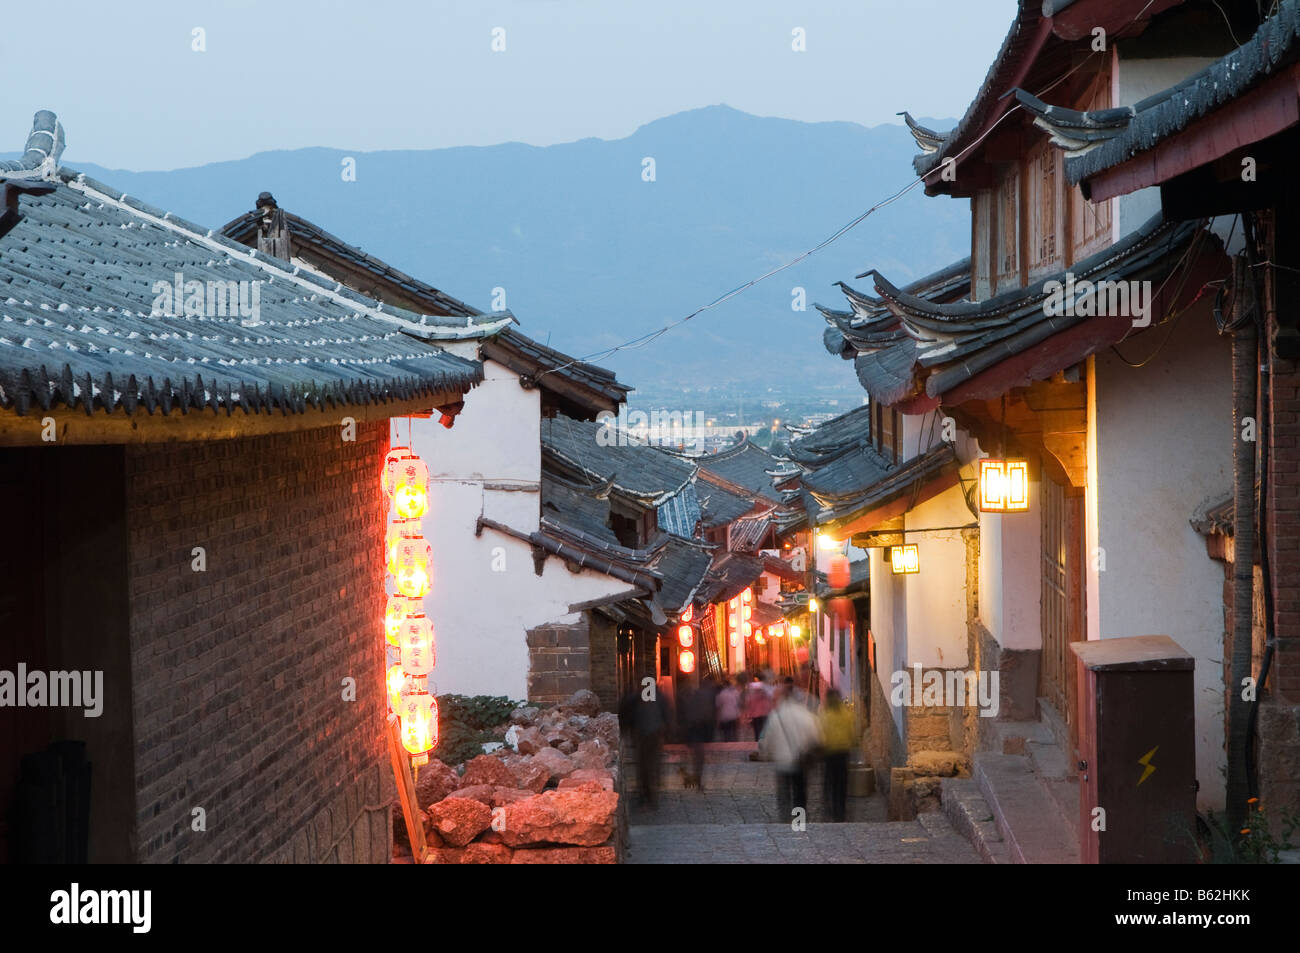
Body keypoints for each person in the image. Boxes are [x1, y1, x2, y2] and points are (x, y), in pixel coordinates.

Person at [759, 677, 821, 821]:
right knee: (799, 793)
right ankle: (799, 823)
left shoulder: (776, 716)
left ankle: (785, 821)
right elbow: (816, 735)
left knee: (784, 794)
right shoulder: (804, 714)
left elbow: (768, 739)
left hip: (782, 762)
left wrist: (765, 752)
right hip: (799, 761)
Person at [619, 679, 671, 809]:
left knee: (644, 767)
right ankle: (651, 795)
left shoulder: (637, 698)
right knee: (653, 766)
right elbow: (667, 715)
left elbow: (627, 714)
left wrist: (626, 730)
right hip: (653, 736)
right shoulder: (658, 698)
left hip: (642, 736)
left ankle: (646, 795)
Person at [819, 689, 855, 822]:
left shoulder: (825, 715)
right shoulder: (846, 714)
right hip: (843, 752)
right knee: (842, 782)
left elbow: (820, 732)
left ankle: (831, 808)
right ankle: (841, 811)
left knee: (830, 781)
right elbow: (852, 733)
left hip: (829, 753)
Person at [682, 676, 719, 790]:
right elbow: (708, 714)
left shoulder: (696, 696)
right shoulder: (706, 696)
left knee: (697, 757)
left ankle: (696, 778)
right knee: (698, 757)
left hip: (694, 730)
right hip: (697, 730)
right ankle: (696, 779)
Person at [743, 673, 773, 742]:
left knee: (756, 731)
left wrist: (748, 715)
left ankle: (757, 743)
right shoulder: (765, 693)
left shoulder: (752, 694)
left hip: (755, 715)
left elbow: (749, 704)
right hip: (764, 714)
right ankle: (762, 742)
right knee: (763, 730)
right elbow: (769, 702)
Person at [716, 676, 742, 742]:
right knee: (734, 733)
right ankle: (734, 745)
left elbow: (718, 706)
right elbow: (738, 704)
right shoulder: (736, 692)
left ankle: (727, 745)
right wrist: (739, 716)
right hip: (734, 715)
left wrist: (718, 719)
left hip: (725, 716)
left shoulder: (721, 694)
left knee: (726, 733)